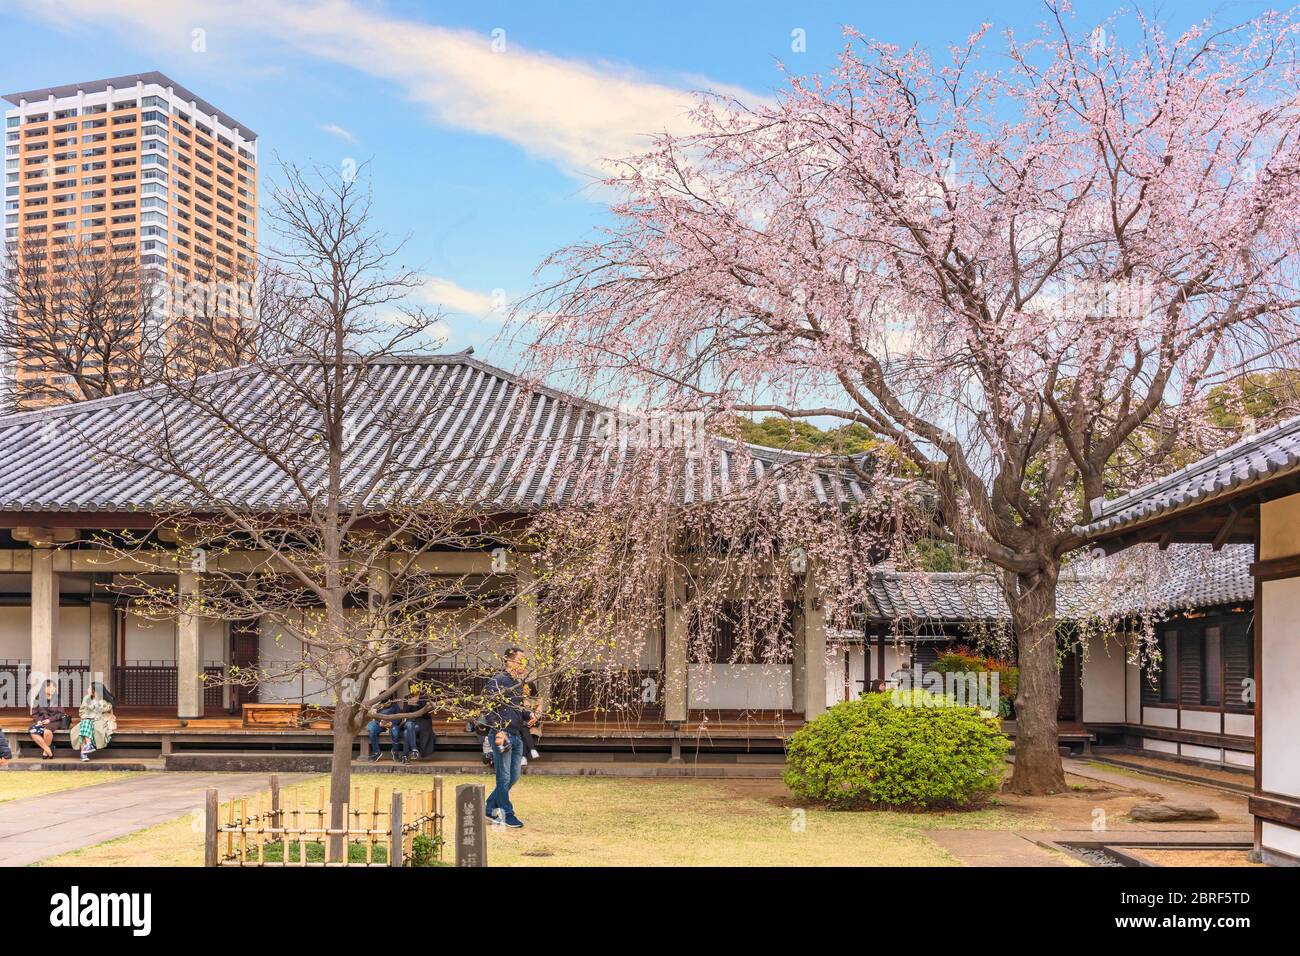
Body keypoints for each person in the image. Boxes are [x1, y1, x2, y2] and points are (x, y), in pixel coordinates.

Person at [482, 647, 537, 829]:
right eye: (521, 660)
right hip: (502, 735)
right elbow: (488, 708)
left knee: (513, 777)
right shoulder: (497, 681)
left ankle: (489, 807)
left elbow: (518, 709)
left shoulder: (518, 684)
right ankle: (507, 814)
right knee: (503, 777)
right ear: (509, 661)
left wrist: (529, 716)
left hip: (516, 735)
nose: (523, 664)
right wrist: (498, 730)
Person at [70, 682, 116, 761]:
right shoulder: (86, 698)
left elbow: (106, 713)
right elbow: (82, 711)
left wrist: (94, 713)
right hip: (87, 720)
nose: (87, 689)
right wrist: (87, 716)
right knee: (85, 723)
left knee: (84, 727)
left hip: (99, 722)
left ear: (95, 691)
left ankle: (83, 753)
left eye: (90, 688)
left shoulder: (105, 701)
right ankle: (88, 744)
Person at [29, 681, 65, 760]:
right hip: (41, 720)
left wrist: (49, 720)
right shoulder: (38, 699)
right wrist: (38, 720)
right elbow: (34, 713)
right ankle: (48, 750)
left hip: (54, 721)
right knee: (33, 731)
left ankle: (45, 752)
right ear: (44, 688)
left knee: (47, 731)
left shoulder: (58, 699)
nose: (53, 689)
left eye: (54, 687)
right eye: (50, 687)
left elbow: (61, 713)